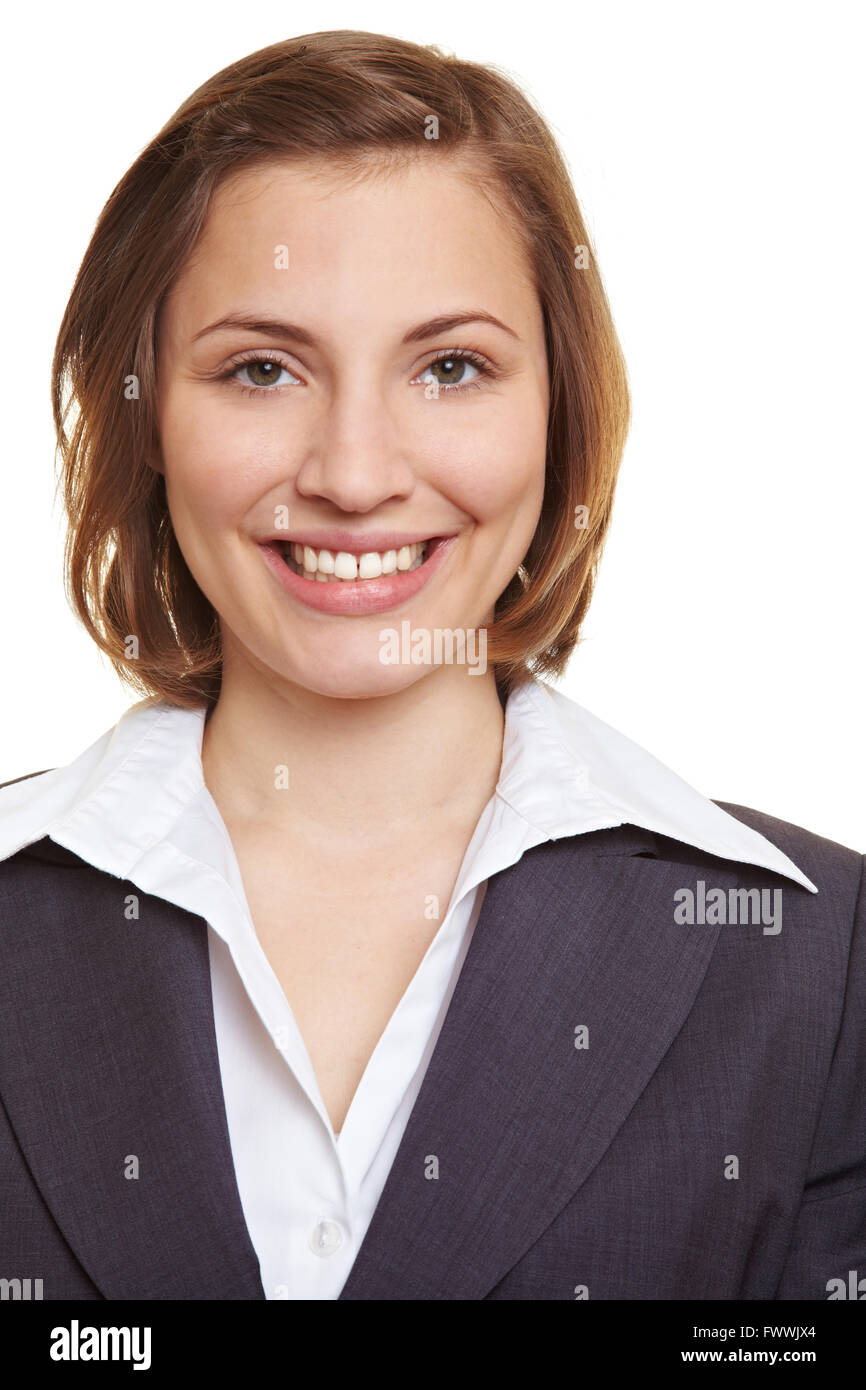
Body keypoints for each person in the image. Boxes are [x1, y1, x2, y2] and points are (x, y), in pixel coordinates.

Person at [0, 29, 862, 1302]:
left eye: (450, 367)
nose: (354, 473)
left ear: (559, 406)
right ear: (144, 420)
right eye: (260, 368)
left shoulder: (823, 966)